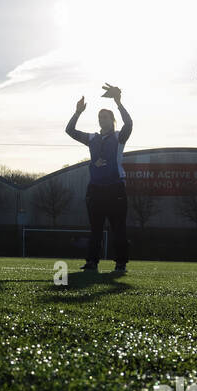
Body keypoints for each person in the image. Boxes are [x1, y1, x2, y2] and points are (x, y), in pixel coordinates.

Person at [65, 85, 132, 273]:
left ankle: (120, 264)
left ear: (113, 121)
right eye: (100, 117)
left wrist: (118, 102)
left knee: (118, 228)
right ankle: (92, 263)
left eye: (106, 117)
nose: (102, 120)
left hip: (115, 188)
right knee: (95, 229)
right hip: (95, 189)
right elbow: (70, 130)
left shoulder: (119, 137)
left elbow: (129, 124)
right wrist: (77, 112)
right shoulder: (92, 138)